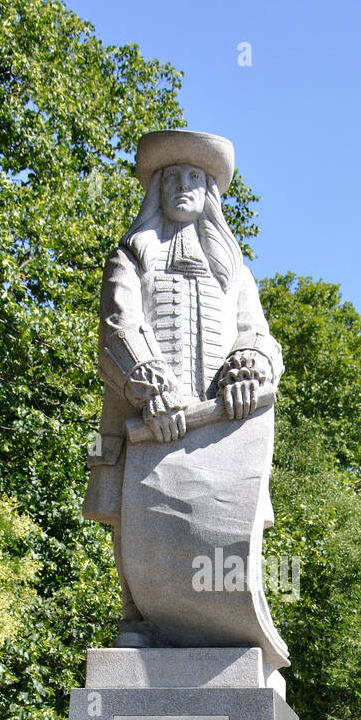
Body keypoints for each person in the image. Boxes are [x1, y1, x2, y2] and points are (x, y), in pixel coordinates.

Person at [84, 130, 287, 672]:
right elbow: (116, 323)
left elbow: (258, 335)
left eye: (193, 177)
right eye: (170, 176)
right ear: (157, 189)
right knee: (133, 512)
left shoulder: (235, 273)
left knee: (225, 522)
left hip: (216, 424)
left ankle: (222, 619)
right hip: (145, 414)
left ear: (209, 193)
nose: (181, 186)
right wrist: (150, 386)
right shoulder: (132, 254)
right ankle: (139, 620)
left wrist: (250, 367)